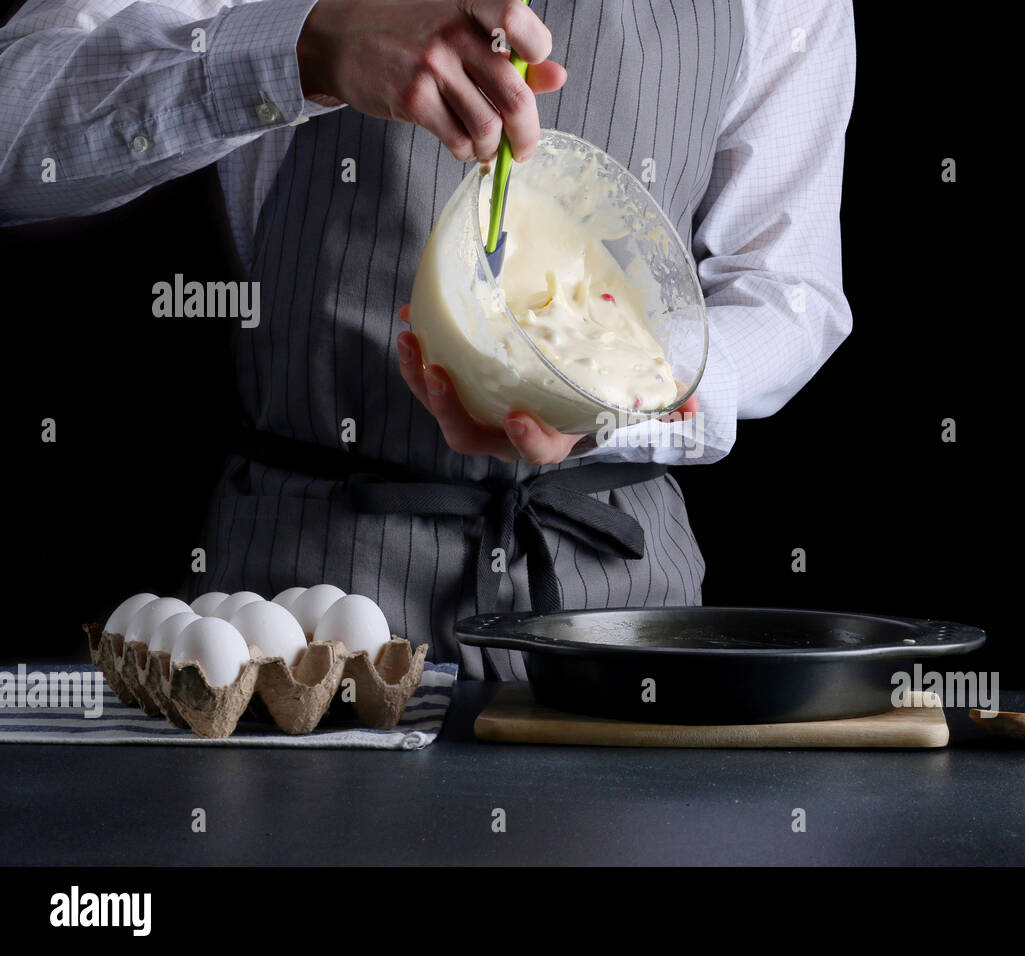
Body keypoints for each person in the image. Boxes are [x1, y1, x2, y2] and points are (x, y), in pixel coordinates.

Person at [0, 0, 854, 678]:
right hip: (294, 618)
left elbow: (789, 290)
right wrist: (302, 50)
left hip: (628, 618)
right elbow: (14, 130)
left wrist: (623, 403)